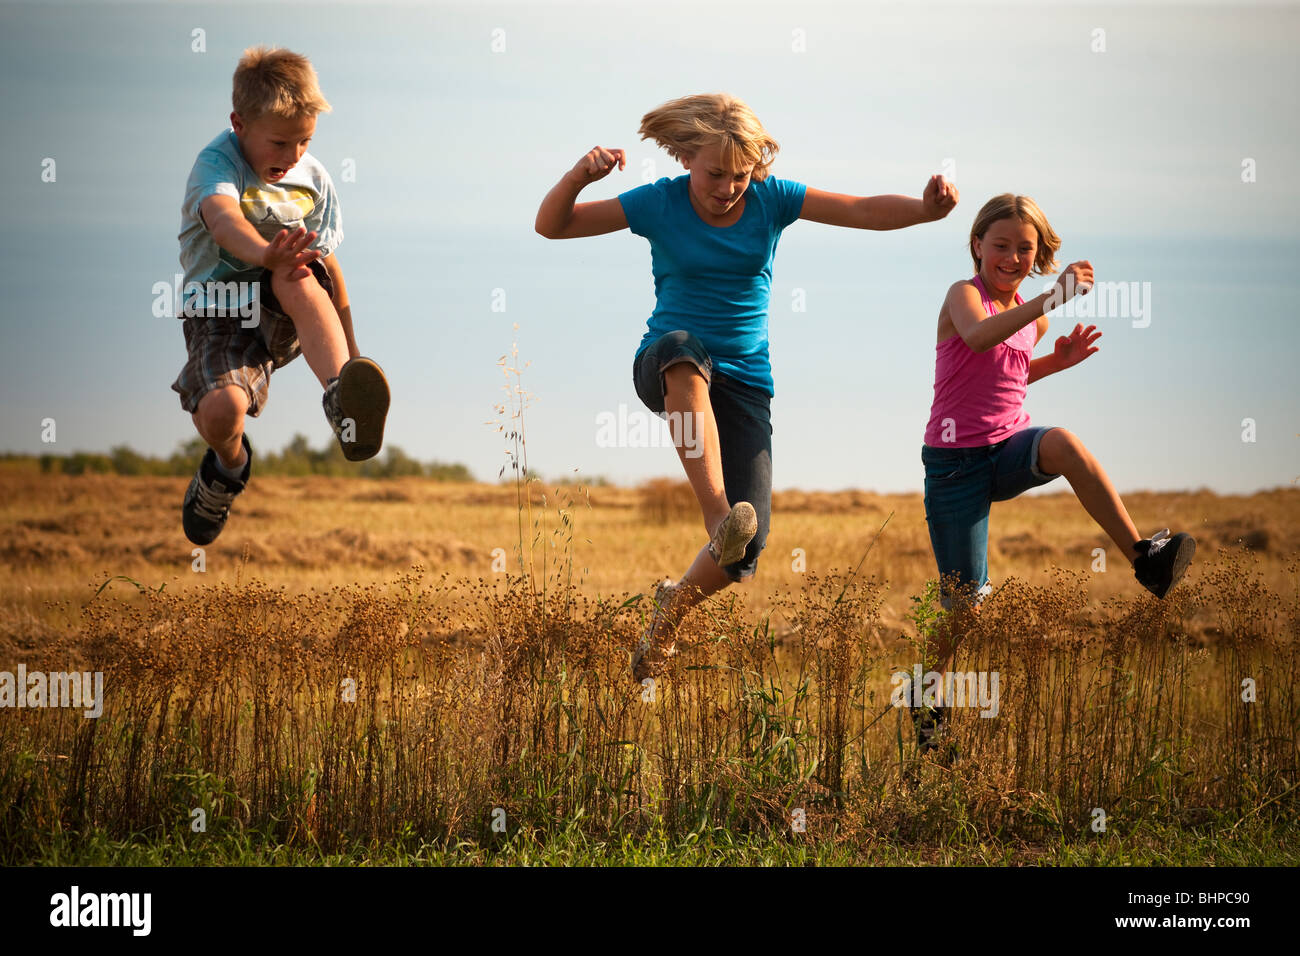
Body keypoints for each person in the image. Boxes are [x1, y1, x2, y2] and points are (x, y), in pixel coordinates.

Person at [535, 92, 958, 680]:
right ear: (685, 156)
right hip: (665, 360)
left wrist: (924, 210)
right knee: (686, 356)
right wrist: (581, 175)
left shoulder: (771, 199)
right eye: (715, 174)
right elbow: (551, 227)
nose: (727, 187)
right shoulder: (657, 203)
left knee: (745, 554)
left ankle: (670, 612)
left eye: (739, 176)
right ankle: (716, 518)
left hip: (746, 383)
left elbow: (861, 210)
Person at [914, 192, 1195, 752]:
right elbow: (976, 339)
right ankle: (928, 699)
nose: (1012, 257)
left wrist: (1053, 361)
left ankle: (1145, 560)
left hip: (1007, 448)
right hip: (953, 467)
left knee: (1065, 443)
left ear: (1039, 254)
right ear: (976, 246)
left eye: (1026, 248)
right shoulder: (964, 297)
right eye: (1001, 246)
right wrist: (1048, 300)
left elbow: (1003, 380)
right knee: (964, 606)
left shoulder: (1030, 324)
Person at [171, 45, 390, 546]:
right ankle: (228, 466)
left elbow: (329, 265)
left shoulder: (313, 178)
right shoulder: (215, 165)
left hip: (286, 307)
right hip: (221, 313)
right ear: (239, 123)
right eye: (279, 143)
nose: (292, 156)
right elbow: (224, 221)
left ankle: (340, 397)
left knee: (298, 271)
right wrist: (264, 253)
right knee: (223, 411)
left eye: (304, 142)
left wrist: (355, 359)